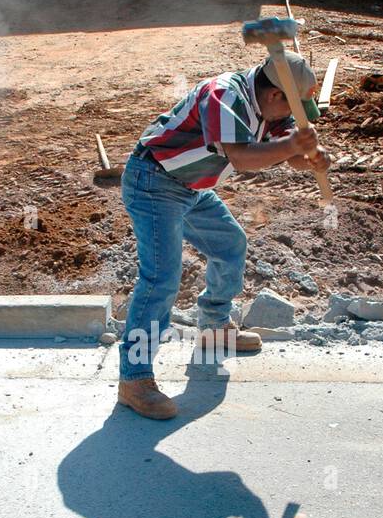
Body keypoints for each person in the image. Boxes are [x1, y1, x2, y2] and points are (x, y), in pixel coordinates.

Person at [117, 52, 330, 419]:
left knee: (230, 244)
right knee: (161, 279)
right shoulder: (224, 95)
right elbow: (243, 156)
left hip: (192, 186)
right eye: (293, 108)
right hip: (153, 183)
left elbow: (284, 150)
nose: (292, 118)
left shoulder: (269, 108)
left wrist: (310, 156)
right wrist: (293, 146)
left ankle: (215, 327)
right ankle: (133, 378)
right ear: (276, 96)